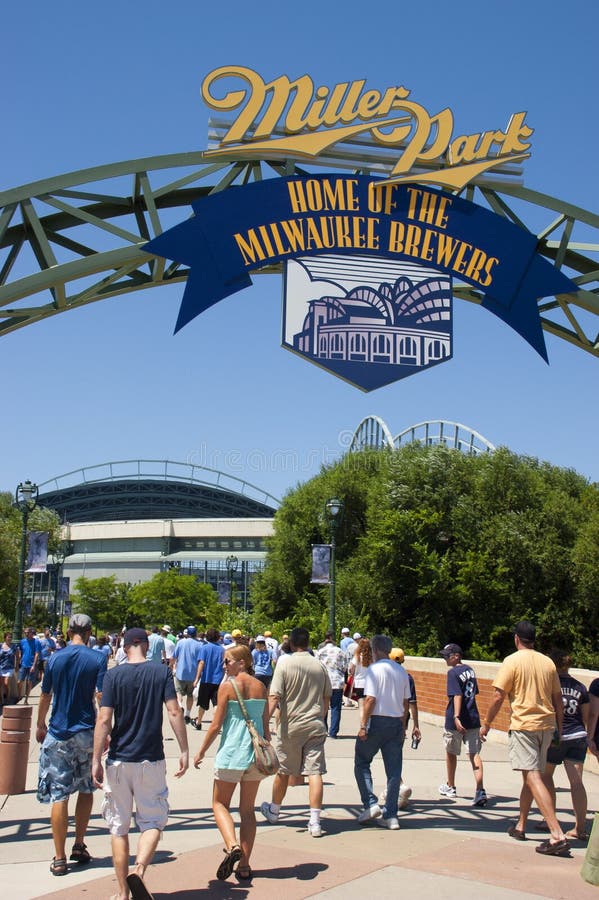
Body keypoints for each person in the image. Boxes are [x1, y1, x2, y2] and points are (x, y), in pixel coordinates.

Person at [92, 627, 188, 900]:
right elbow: (174, 711)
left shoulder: (113, 675)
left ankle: (123, 892)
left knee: (118, 828)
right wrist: (184, 749)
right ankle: (140, 869)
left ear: (124, 647)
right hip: (151, 758)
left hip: (119, 759)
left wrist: (95, 759)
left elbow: (104, 719)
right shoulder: (161, 672)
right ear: (146, 645)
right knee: (153, 822)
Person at [480, 620, 569, 856]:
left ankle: (556, 834)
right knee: (531, 776)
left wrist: (486, 724)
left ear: (516, 639)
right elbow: (558, 700)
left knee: (532, 775)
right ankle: (520, 825)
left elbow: (498, 696)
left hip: (524, 726)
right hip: (547, 726)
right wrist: (559, 729)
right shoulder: (548, 662)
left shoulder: (512, 661)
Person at [36, 613, 108, 876]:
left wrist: (40, 723)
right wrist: (105, 729)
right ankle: (79, 843)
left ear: (69, 633)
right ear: (89, 632)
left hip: (58, 731)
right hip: (86, 731)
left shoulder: (55, 658)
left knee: (59, 794)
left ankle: (59, 857)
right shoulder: (97, 658)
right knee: (86, 789)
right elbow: (100, 695)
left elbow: (45, 694)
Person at [194, 643, 270, 883]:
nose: (224, 665)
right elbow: (265, 724)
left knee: (219, 803)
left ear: (241, 662)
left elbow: (216, 725)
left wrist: (201, 751)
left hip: (232, 753)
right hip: (255, 755)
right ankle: (244, 865)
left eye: (227, 661)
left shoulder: (227, 686)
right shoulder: (261, 687)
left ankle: (232, 845)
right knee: (247, 810)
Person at [260, 626, 331, 837]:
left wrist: (264, 723)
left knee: (283, 770)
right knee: (315, 772)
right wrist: (321, 716)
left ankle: (274, 810)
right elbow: (326, 697)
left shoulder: (284, 664)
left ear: (291, 643)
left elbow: (274, 696)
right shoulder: (319, 665)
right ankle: (315, 821)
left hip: (290, 726)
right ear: (308, 643)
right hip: (315, 724)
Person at [354, 634, 411, 830]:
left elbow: (370, 699)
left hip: (376, 721)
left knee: (362, 761)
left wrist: (363, 725)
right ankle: (391, 815)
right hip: (396, 722)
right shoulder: (401, 671)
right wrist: (403, 725)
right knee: (394, 771)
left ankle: (370, 803)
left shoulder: (373, 670)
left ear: (375, 649)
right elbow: (405, 702)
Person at [538, 648, 589, 841]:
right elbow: (586, 716)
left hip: (557, 736)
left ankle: (549, 819)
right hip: (577, 735)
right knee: (576, 782)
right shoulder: (580, 687)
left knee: (545, 777)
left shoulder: (550, 685)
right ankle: (580, 827)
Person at [438, 643, 487, 806]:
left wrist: (456, 716)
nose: (445, 658)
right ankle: (480, 790)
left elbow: (457, 695)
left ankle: (451, 786)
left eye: (447, 655)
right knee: (474, 754)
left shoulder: (453, 673)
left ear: (456, 656)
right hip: (472, 717)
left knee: (451, 752)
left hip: (455, 719)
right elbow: (473, 693)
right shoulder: (470, 671)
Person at [388, 647, 421, 809]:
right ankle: (394, 786)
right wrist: (416, 725)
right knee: (396, 752)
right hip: (403, 719)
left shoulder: (386, 675)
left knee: (389, 755)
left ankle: (399, 786)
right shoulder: (407, 677)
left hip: (386, 716)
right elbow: (412, 703)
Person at [192, 627, 225, 730]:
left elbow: (201, 663)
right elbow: (224, 666)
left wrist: (197, 678)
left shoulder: (205, 648)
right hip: (218, 680)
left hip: (206, 679)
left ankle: (199, 722)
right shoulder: (222, 649)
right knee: (216, 703)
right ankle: (215, 724)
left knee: (203, 703)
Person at [317, 632, 347, 738]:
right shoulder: (340, 651)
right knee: (336, 707)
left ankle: (323, 729)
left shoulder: (320, 652)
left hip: (323, 681)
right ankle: (333, 732)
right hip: (337, 681)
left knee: (323, 706)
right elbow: (345, 667)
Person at [171, 625, 203, 723]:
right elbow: (201, 661)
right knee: (190, 695)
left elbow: (174, 657)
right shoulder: (200, 645)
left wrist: (171, 666)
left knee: (178, 692)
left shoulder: (180, 642)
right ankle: (188, 714)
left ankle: (180, 706)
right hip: (193, 674)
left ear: (187, 633)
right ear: (195, 633)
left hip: (181, 672)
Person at [18, 626, 42, 703]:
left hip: (31, 665)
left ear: (32, 633)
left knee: (29, 682)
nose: (26, 634)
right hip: (23, 664)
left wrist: (33, 665)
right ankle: (19, 696)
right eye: (25, 632)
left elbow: (37, 654)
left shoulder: (36, 642)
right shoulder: (22, 641)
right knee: (20, 681)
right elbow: (20, 651)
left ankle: (26, 699)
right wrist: (19, 660)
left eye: (28, 632)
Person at [348, 637, 372, 710]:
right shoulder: (372, 658)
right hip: (370, 683)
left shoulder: (357, 657)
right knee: (368, 706)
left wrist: (352, 673)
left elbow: (350, 669)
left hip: (359, 683)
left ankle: (362, 717)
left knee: (361, 706)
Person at [0, 631, 19, 705]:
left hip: (10, 667)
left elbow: (17, 656)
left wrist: (17, 666)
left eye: (11, 637)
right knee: (1, 684)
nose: (10, 638)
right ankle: (2, 700)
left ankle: (8, 698)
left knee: (6, 683)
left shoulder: (14, 646)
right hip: (1, 667)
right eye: (8, 637)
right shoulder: (1, 645)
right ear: (5, 638)